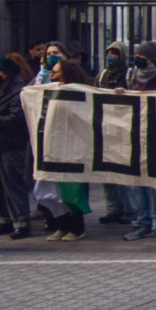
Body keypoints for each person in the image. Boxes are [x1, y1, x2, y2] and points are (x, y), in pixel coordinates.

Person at [120, 42, 156, 243]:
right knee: (138, 183)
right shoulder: (132, 77)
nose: (137, 57)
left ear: (152, 58)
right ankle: (142, 223)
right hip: (137, 135)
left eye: (141, 55)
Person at [38, 60, 91, 241]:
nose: (52, 75)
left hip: (74, 146)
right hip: (55, 144)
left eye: (56, 72)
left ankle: (76, 228)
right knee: (53, 190)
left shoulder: (79, 91)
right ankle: (62, 224)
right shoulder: (51, 89)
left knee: (72, 189)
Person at [0, 56, 35, 239]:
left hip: (12, 144)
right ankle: (4, 219)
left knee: (13, 183)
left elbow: (15, 118)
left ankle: (21, 222)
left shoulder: (18, 91)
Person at [95, 41, 135, 225]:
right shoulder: (103, 74)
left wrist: (125, 93)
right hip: (106, 126)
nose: (111, 56)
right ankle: (113, 209)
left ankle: (130, 209)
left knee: (125, 171)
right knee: (107, 171)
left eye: (115, 53)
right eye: (109, 52)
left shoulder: (129, 74)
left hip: (123, 126)